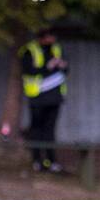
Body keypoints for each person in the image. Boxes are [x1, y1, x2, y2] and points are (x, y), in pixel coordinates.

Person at [18, 26, 68, 173]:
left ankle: (50, 161)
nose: (52, 40)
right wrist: (48, 67)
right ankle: (37, 161)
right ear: (42, 38)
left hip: (55, 97)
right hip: (38, 97)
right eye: (49, 37)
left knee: (50, 131)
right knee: (36, 130)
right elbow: (28, 70)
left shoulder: (57, 49)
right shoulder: (29, 50)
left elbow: (66, 68)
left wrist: (63, 65)